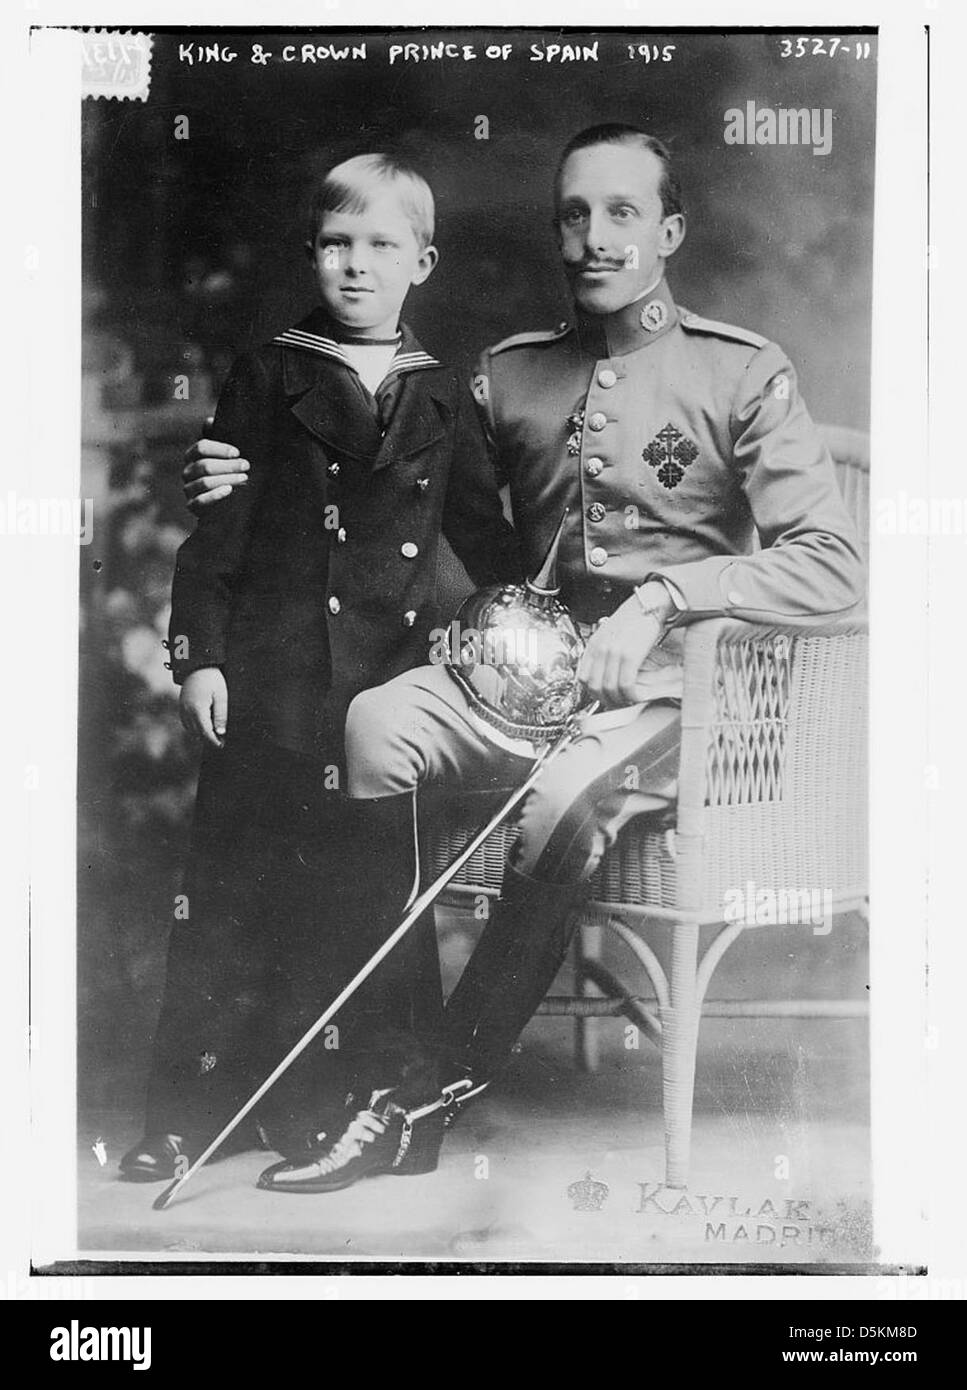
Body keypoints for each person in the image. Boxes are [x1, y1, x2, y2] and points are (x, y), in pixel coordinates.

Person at [184, 124, 864, 1196]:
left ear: (669, 231)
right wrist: (236, 468)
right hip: (529, 680)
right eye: (574, 214)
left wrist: (665, 597)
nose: (593, 238)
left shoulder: (739, 370)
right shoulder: (508, 376)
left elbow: (834, 566)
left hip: (681, 699)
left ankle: (420, 1098)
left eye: (623, 214)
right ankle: (388, 1062)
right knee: (372, 724)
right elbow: (397, 486)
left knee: (558, 801)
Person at [119, 153, 520, 1181]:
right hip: (272, 676)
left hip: (377, 692)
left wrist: (485, 642)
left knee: (353, 896)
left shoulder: (441, 396)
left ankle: (321, 1107)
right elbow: (215, 539)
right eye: (336, 243)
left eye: (381, 245)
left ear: (421, 262)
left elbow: (481, 544)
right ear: (311, 253)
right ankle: (186, 1110)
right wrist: (200, 657)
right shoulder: (270, 371)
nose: (355, 265)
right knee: (229, 892)